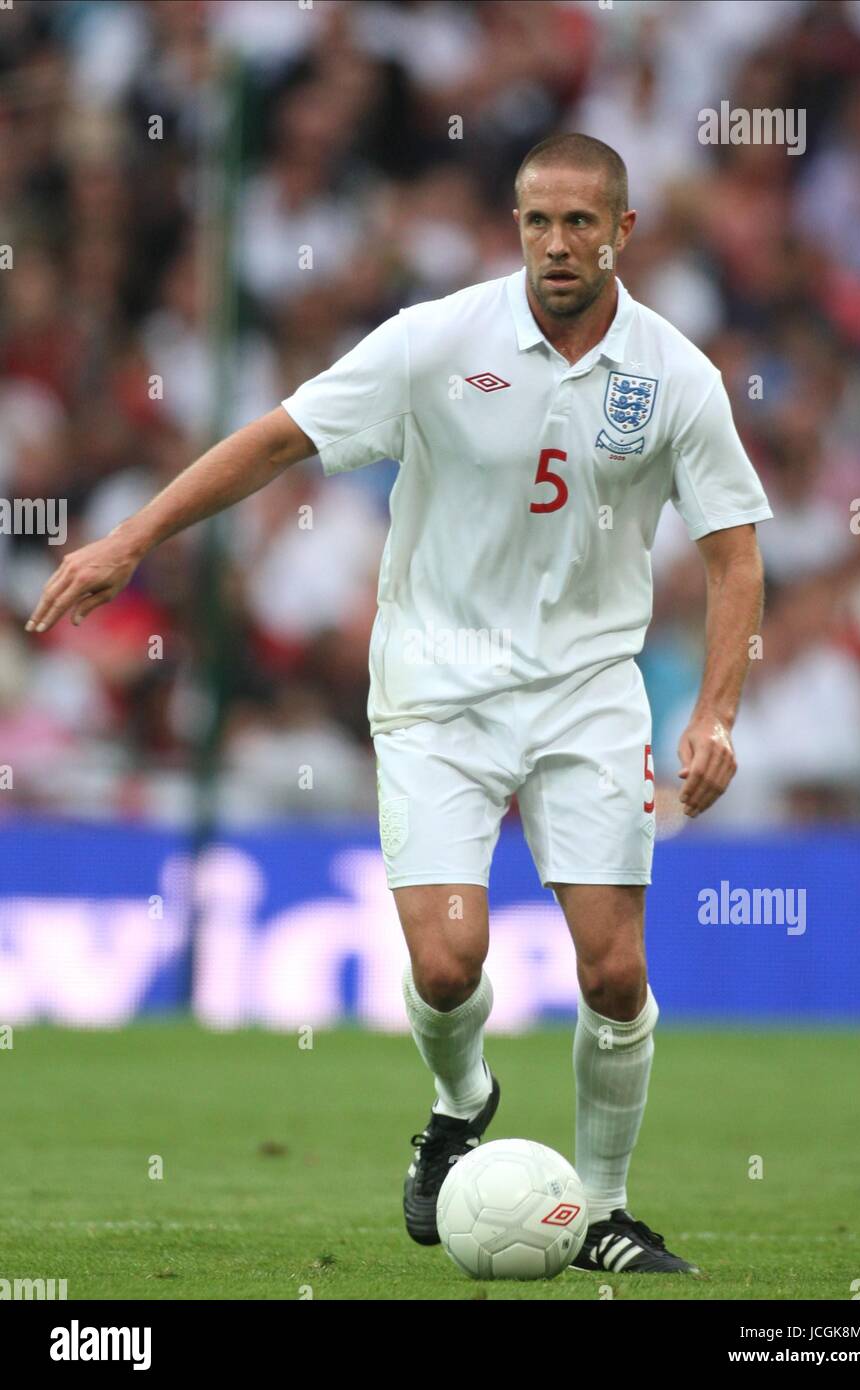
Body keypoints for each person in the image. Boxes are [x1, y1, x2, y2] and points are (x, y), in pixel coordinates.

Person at [27, 134, 772, 1275]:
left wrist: (714, 711)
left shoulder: (675, 375)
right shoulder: (437, 342)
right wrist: (130, 539)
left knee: (614, 970)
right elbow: (278, 437)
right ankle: (460, 1100)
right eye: (536, 221)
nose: (556, 244)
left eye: (581, 223)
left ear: (624, 232)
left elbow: (731, 551)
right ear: (513, 227)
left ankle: (606, 1208)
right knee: (444, 965)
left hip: (585, 694)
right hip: (436, 689)